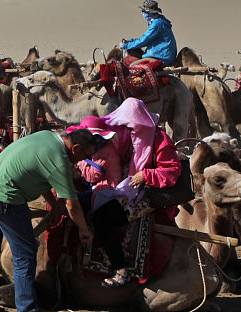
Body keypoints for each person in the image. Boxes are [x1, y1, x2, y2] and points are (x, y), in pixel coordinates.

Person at [0, 128, 97, 312]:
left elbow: (37, 171)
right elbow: (72, 205)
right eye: (84, 156)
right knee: (25, 254)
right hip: (5, 197)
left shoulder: (46, 136)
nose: (82, 161)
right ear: (75, 148)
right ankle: (27, 308)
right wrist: (84, 230)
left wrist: (53, 204)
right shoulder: (60, 160)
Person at [75, 97, 183, 287]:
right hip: (121, 186)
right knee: (76, 202)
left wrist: (146, 175)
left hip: (145, 193)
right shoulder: (122, 132)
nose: (127, 128)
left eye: (131, 125)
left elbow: (172, 170)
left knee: (103, 217)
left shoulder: (159, 139)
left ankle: (121, 268)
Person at [120, 0, 178, 66]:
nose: (143, 13)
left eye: (143, 11)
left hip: (162, 57)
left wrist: (125, 46)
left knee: (133, 65)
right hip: (165, 55)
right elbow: (147, 38)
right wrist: (131, 41)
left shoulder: (157, 23)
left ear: (148, 12)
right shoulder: (160, 20)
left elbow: (144, 41)